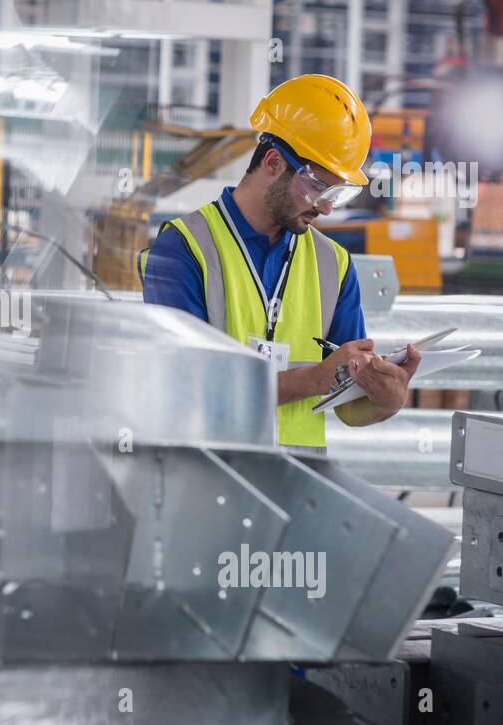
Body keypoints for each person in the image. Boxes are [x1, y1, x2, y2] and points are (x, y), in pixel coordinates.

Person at [138, 74, 420, 452]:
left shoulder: (332, 264)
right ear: (273, 162)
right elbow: (184, 384)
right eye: (319, 186)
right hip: (206, 479)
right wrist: (316, 378)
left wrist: (386, 399)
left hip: (300, 490)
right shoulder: (184, 248)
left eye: (340, 193)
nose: (326, 206)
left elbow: (348, 408)